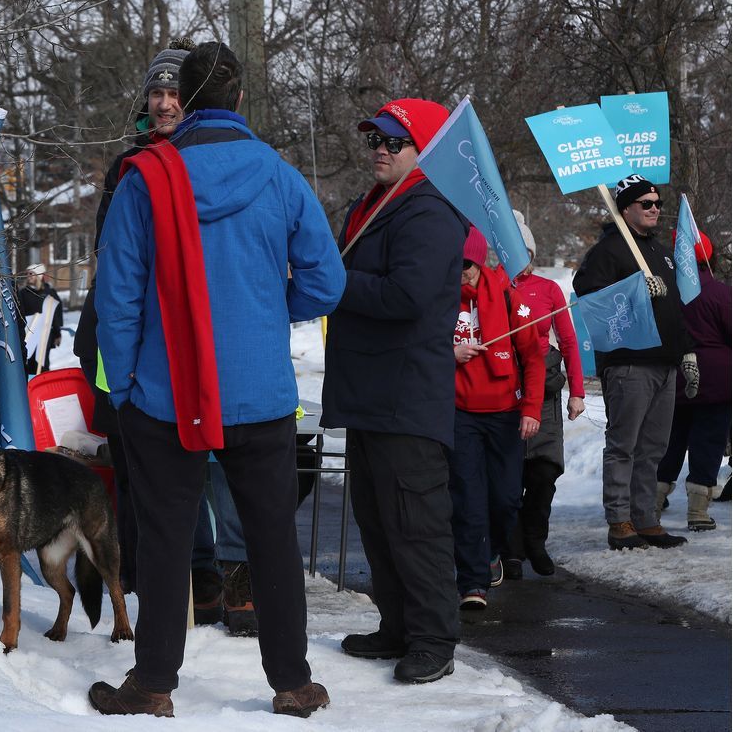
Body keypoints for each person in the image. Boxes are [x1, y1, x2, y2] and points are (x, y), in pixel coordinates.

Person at [90, 42, 344, 718]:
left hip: (165, 392)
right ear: (236, 101)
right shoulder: (280, 174)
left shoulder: (144, 178)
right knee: (270, 539)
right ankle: (292, 682)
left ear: (186, 99)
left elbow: (116, 299)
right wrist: (266, 313)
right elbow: (326, 282)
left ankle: (152, 685)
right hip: (258, 392)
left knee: (166, 540)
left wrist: (126, 386)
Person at [321, 98, 465, 684]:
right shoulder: (371, 206)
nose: (379, 150)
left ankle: (434, 638)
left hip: (407, 398)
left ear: (421, 150)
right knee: (378, 522)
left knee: (416, 526)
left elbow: (407, 297)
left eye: (392, 141)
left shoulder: (429, 209)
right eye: (373, 140)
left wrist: (334, 282)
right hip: (369, 396)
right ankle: (397, 626)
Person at [573, 174, 695, 550]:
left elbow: (673, 309)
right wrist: (633, 289)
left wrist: (686, 351)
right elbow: (587, 294)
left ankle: (646, 518)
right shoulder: (609, 250)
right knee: (624, 445)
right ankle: (620, 520)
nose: (655, 208)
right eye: (647, 204)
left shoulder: (659, 252)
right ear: (626, 209)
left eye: (658, 203)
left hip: (664, 363)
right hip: (629, 362)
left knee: (653, 447)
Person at [449, 226, 544, 609]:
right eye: (454, 265)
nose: (461, 273)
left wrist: (532, 409)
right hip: (459, 414)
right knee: (468, 499)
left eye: (468, 265)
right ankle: (473, 583)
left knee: (505, 499)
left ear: (480, 261)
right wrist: (448, 354)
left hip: (505, 413)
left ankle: (491, 551)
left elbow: (534, 358)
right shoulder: (437, 298)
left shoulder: (509, 297)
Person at [504, 212, 586, 579]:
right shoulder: (493, 287)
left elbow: (568, 341)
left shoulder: (548, 289)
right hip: (505, 394)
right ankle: (511, 551)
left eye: (525, 250)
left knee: (543, 475)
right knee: (508, 479)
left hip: (547, 395)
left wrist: (578, 392)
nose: (520, 256)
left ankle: (535, 541)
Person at [656, 232, 731, 531]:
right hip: (715, 383)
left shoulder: (667, 293)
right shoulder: (720, 293)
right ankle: (698, 512)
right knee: (708, 443)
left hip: (674, 380)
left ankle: (653, 502)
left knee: (670, 442)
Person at [17, 262, 64, 375]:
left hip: (44, 335)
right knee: (28, 361)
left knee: (42, 363)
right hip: (29, 334)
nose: (29, 276)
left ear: (39, 276)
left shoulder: (49, 293)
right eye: (27, 274)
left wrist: (57, 333)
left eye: (31, 273)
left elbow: (55, 314)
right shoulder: (24, 293)